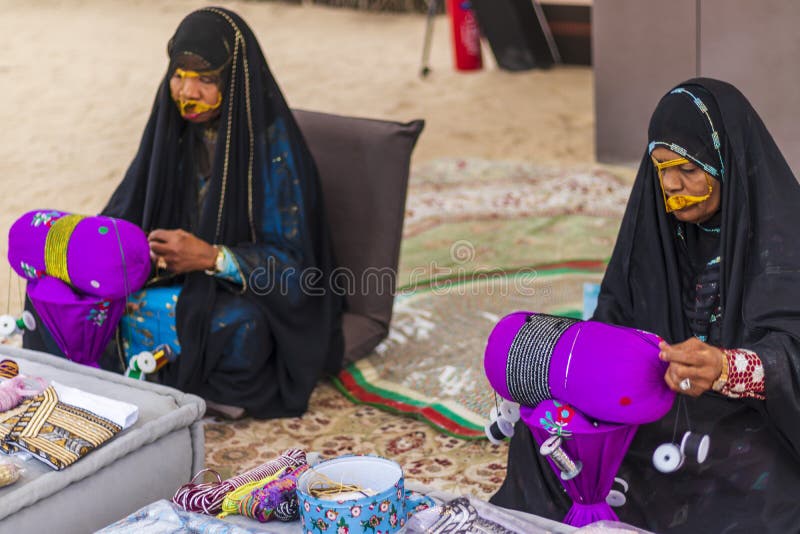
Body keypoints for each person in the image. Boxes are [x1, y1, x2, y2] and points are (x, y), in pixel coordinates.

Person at [491, 78, 800, 532]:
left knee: (760, 474)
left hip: (750, 415)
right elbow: (614, 321)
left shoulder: (784, 240)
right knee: (550, 434)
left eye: (688, 169)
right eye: (660, 168)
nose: (671, 185)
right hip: (655, 403)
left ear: (725, 161)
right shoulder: (655, 225)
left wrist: (726, 367)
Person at [97, 7, 343, 418]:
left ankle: (157, 374)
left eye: (206, 79)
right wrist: (135, 249)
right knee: (80, 290)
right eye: (180, 75)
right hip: (172, 286)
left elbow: (299, 276)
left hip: (238, 298)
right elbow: (124, 212)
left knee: (243, 330)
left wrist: (213, 257)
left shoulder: (274, 151)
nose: (187, 93)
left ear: (235, 79)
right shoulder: (171, 131)